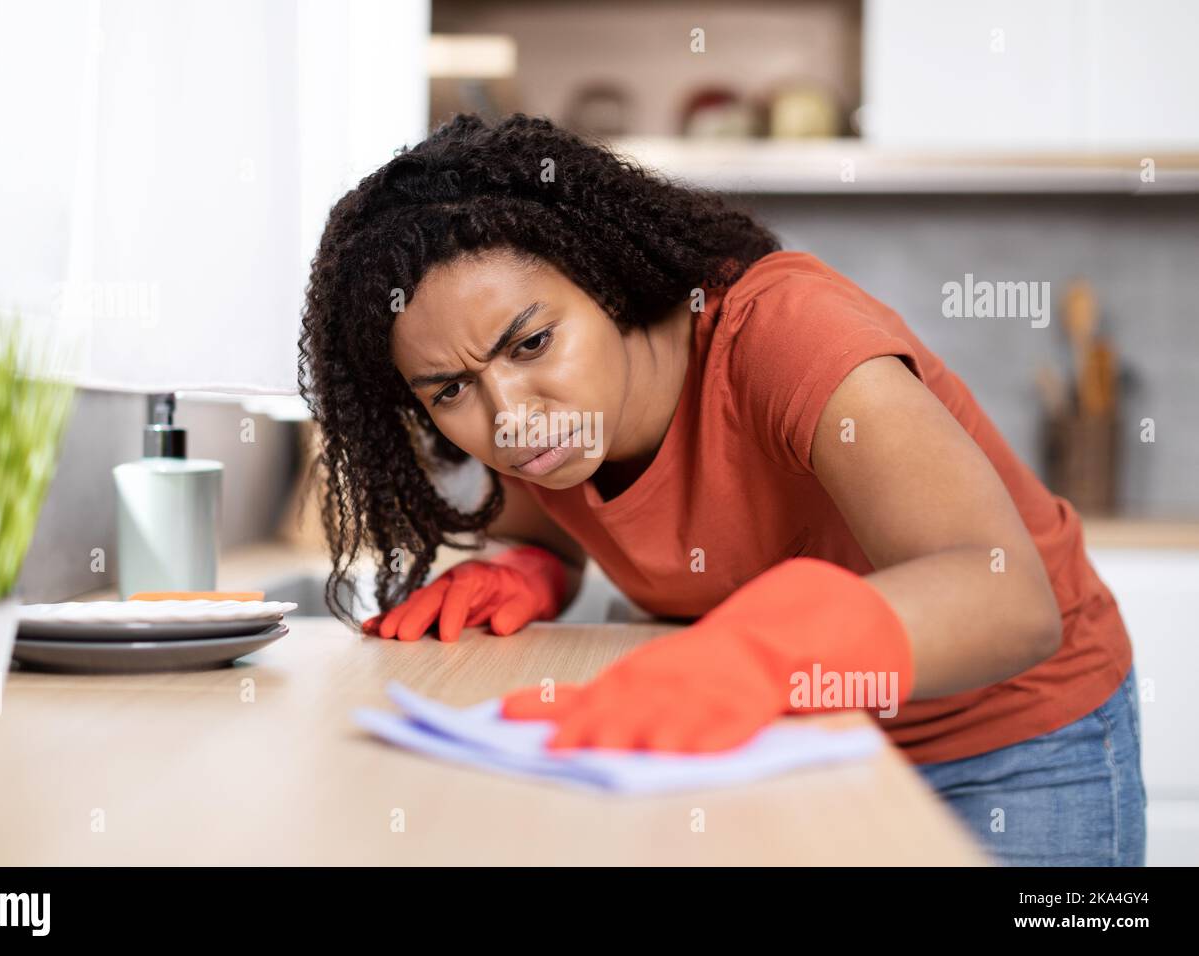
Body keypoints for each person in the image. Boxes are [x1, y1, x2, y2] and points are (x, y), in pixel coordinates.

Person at [298, 113, 1144, 866]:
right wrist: (525, 570)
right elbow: (556, 530)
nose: (508, 418)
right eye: (447, 388)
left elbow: (1005, 598)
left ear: (606, 277)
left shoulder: (786, 334)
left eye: (531, 343)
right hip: (793, 743)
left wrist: (757, 653)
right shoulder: (532, 417)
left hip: (1008, 746)